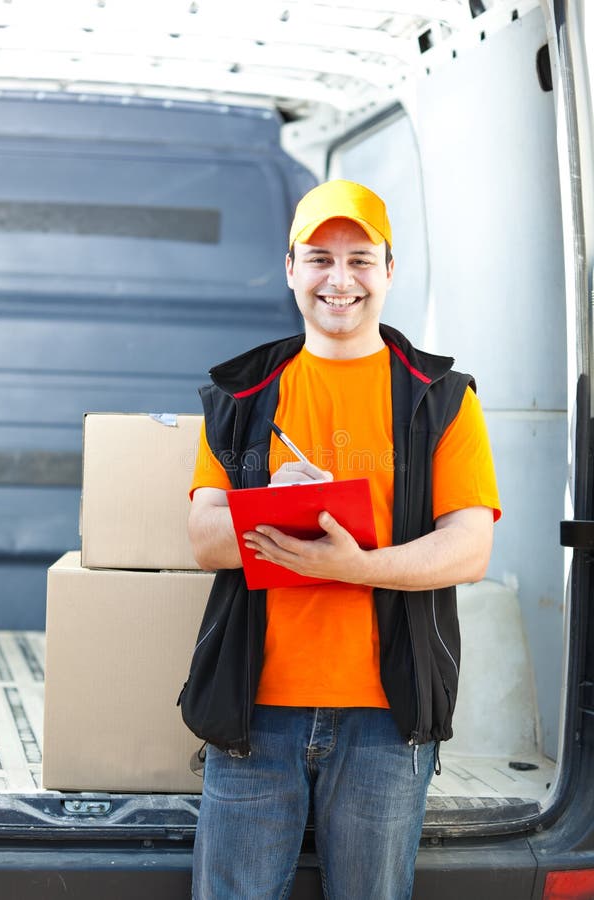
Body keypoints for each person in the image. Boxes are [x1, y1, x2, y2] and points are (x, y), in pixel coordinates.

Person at [183, 179, 501, 899]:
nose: (340, 279)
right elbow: (204, 538)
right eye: (320, 258)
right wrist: (272, 505)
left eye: (360, 259)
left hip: (387, 721)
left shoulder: (441, 396)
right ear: (291, 267)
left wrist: (356, 565)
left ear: (390, 271)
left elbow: (469, 547)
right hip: (252, 711)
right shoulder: (242, 396)